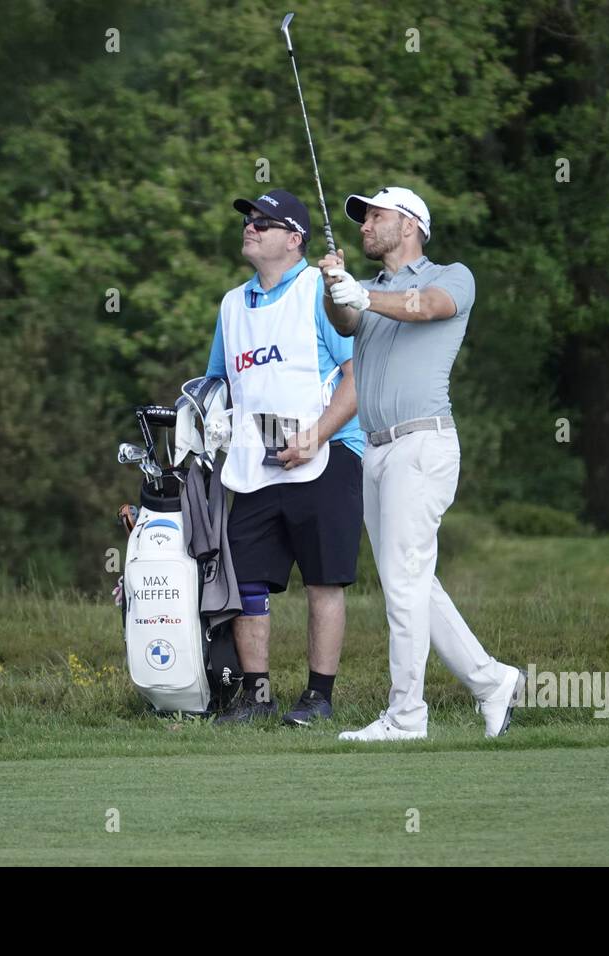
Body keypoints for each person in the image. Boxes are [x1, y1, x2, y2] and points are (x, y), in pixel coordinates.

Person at [317, 186, 523, 741]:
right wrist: (334, 285)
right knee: (410, 582)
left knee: (405, 584)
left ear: (409, 225)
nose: (364, 226)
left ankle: (407, 716)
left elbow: (428, 308)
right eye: (361, 219)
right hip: (376, 450)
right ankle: (493, 681)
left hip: (423, 445)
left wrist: (358, 293)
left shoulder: (452, 276)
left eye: (375, 216)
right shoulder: (371, 291)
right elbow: (343, 323)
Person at [206, 188, 364, 726]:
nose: (250, 227)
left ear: (294, 238)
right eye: (249, 220)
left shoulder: (321, 290)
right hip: (257, 459)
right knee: (247, 581)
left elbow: (355, 376)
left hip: (326, 450)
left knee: (324, 580)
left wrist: (314, 437)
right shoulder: (231, 305)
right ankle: (257, 695)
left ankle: (318, 697)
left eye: (263, 222)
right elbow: (214, 386)